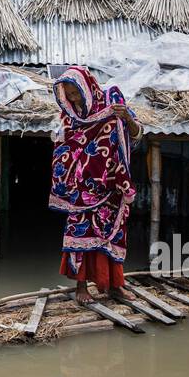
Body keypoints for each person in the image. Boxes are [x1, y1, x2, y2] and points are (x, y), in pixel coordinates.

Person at [48, 65, 139, 305]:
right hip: (81, 190)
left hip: (111, 185)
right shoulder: (70, 117)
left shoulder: (112, 102)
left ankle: (115, 286)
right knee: (79, 235)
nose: (73, 99)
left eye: (76, 93)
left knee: (113, 235)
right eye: (68, 94)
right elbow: (65, 149)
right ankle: (81, 287)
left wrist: (127, 117)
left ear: (87, 89)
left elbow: (137, 134)